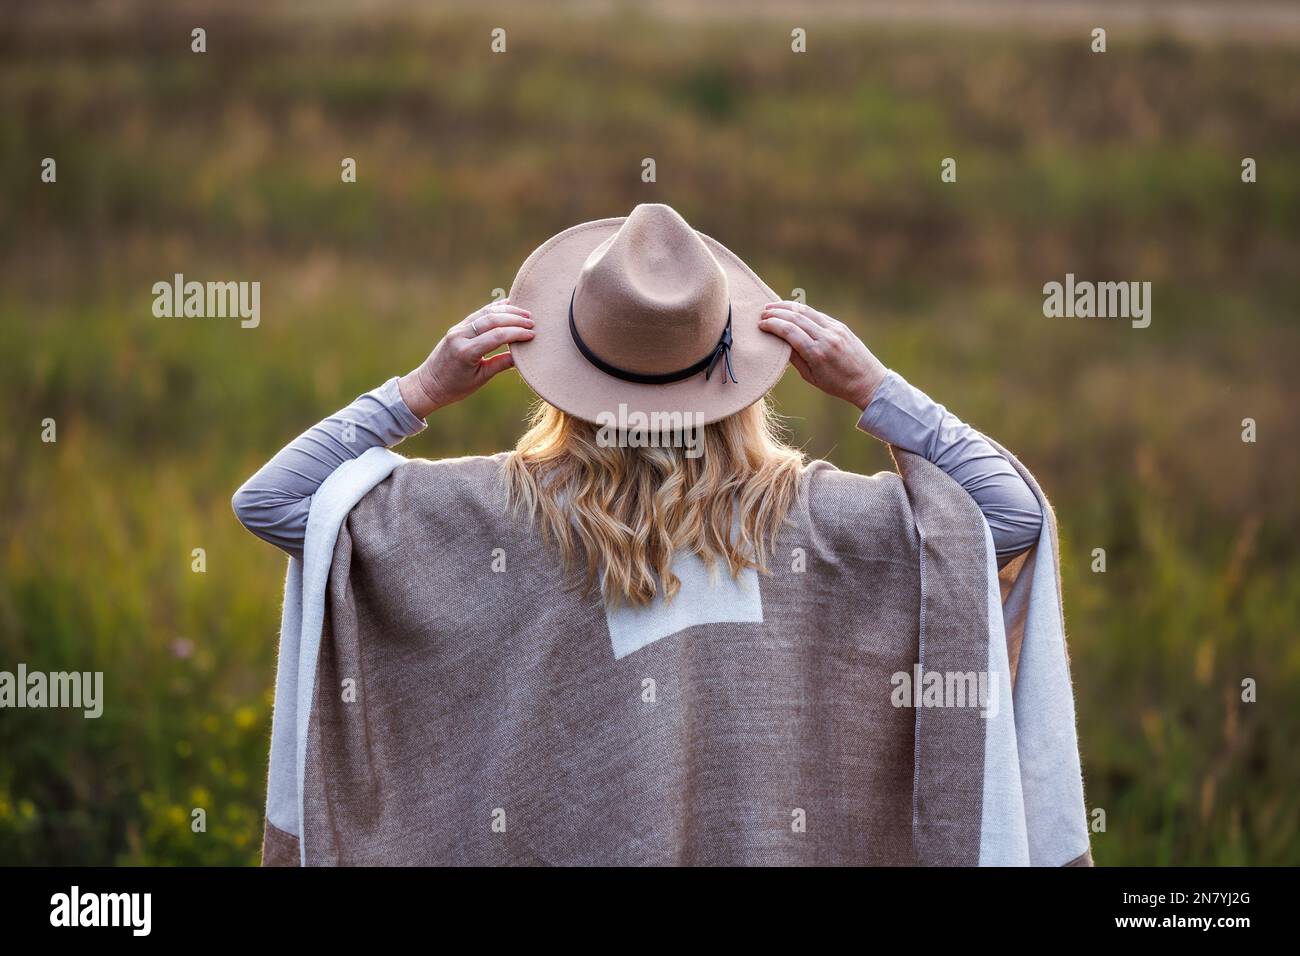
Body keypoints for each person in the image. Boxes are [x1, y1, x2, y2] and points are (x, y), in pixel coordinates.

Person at [234, 204, 1089, 867]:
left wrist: (419, 390)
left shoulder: (488, 517)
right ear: (741, 371)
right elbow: (1010, 521)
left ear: (563, 369)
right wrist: (875, 389)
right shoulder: (829, 526)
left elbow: (273, 503)